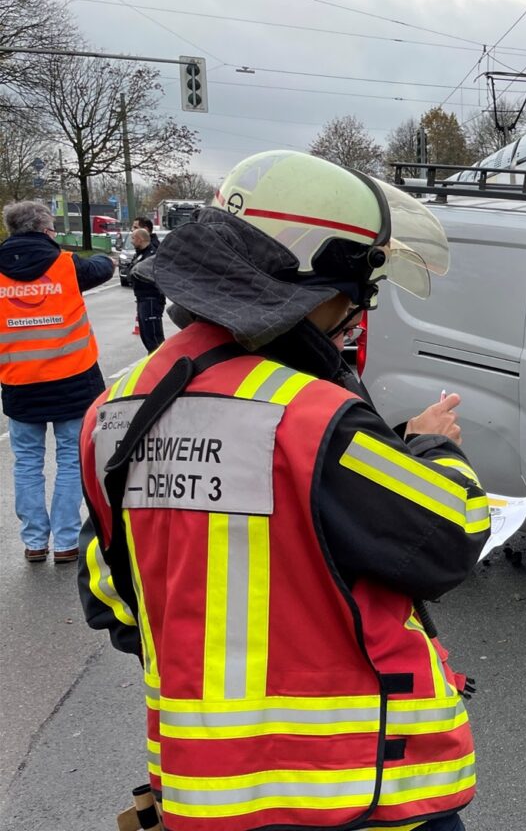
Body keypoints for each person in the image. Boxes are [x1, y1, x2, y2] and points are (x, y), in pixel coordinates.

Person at [76, 151, 485, 831]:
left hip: (204, 796)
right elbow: (448, 535)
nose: (355, 311)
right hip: (359, 790)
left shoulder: (113, 412)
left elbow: (111, 599)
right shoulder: (313, 418)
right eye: (355, 291)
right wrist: (434, 449)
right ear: (307, 280)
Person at [0, 200, 114, 564]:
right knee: (69, 460)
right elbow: (104, 264)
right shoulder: (67, 265)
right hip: (72, 382)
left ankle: (35, 541)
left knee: (27, 462)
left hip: (19, 384)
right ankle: (66, 541)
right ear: (46, 230)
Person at [127, 227, 166, 351]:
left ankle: (162, 364)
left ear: (140, 239)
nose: (132, 242)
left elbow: (153, 277)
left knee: (154, 338)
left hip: (151, 299)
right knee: (146, 336)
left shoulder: (152, 255)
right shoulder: (140, 254)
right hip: (142, 299)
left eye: (133, 238)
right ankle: (153, 362)